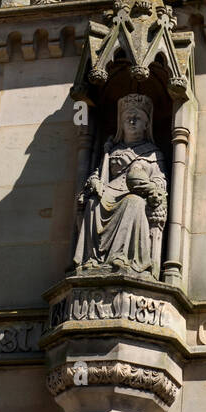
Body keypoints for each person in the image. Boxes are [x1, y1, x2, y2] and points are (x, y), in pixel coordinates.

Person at [73, 93, 168, 277]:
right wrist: (94, 181)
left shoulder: (154, 154)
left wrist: (149, 186)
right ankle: (92, 260)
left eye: (137, 118)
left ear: (147, 124)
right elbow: (99, 174)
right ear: (121, 124)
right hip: (110, 192)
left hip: (135, 194)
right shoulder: (112, 151)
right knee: (92, 203)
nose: (132, 121)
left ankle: (124, 257)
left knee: (133, 202)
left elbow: (160, 181)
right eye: (127, 118)